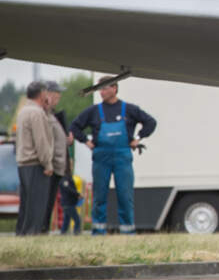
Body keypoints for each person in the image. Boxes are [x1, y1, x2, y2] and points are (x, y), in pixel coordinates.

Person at [69, 76, 157, 235]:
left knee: (125, 196)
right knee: (99, 197)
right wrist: (86, 142)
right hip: (101, 158)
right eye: (99, 89)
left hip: (123, 157)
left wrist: (137, 139)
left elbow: (151, 122)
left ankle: (128, 232)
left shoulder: (129, 109)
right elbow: (74, 127)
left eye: (104, 88)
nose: (101, 92)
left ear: (114, 88)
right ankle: (98, 232)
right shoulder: (94, 111)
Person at [14, 81, 60, 235]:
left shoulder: (24, 111)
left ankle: (22, 233)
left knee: (26, 204)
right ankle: (32, 235)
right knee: (37, 204)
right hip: (35, 164)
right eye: (46, 92)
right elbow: (41, 141)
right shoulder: (37, 113)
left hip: (23, 163)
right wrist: (47, 164)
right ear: (41, 94)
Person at [41, 108, 68, 232]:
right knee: (46, 199)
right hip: (50, 165)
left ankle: (44, 227)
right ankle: (41, 228)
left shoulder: (53, 116)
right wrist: (48, 164)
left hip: (56, 165)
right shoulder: (43, 116)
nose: (57, 98)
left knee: (50, 199)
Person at [58, 160, 83, 235]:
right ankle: (76, 233)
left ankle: (63, 232)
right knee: (77, 219)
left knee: (67, 220)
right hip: (68, 203)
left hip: (70, 202)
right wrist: (77, 194)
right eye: (70, 165)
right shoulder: (64, 177)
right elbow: (68, 188)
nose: (71, 167)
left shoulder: (68, 176)